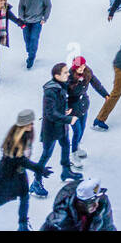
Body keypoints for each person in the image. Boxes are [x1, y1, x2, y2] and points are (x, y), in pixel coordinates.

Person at [30, 62, 80, 197]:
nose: (68, 74)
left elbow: (59, 105)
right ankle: (36, 182)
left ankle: (66, 170)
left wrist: (65, 110)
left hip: (61, 126)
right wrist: (69, 119)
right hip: (51, 129)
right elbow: (50, 113)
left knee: (65, 146)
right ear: (57, 75)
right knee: (46, 154)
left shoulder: (61, 85)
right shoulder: (50, 91)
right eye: (65, 72)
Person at [66, 57, 109, 163]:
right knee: (77, 131)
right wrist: (65, 108)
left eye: (83, 66)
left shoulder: (87, 72)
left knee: (82, 127)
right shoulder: (69, 77)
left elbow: (97, 85)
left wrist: (106, 95)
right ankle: (73, 153)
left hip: (83, 105)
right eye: (79, 67)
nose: (82, 68)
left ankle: (77, 146)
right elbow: (61, 94)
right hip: (72, 108)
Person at [42, 178, 116, 231]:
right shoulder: (60, 220)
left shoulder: (102, 204)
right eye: (91, 204)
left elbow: (108, 227)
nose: (96, 206)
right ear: (80, 204)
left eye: (97, 200)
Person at [16, 0, 52, 70]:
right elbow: (20, 7)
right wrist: (21, 17)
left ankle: (31, 57)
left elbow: (48, 6)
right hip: (26, 21)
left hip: (37, 21)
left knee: (34, 38)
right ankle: (30, 52)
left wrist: (45, 18)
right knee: (27, 39)